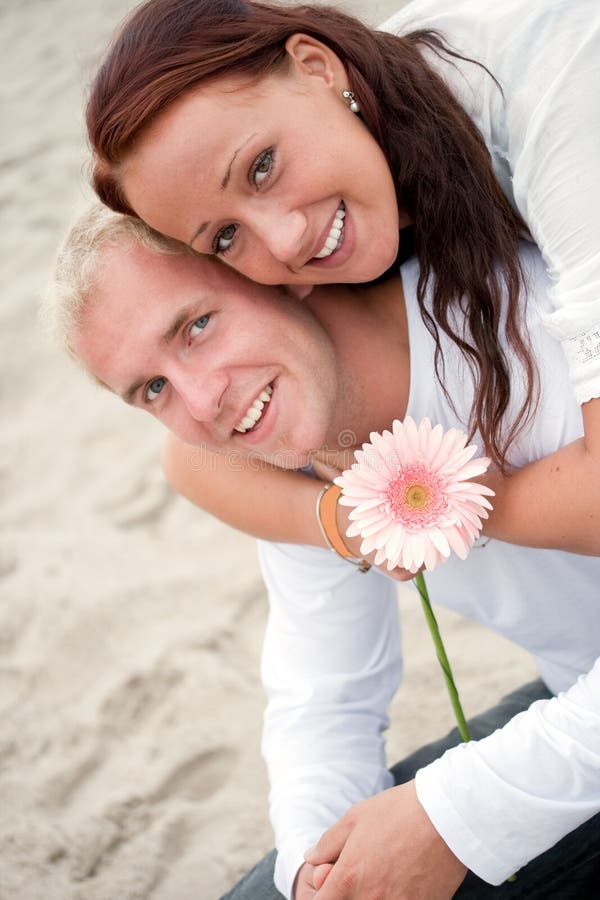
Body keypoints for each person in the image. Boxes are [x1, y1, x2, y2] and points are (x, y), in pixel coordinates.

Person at [45, 204, 600, 899]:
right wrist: (316, 871)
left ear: (273, 270)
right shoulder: (301, 454)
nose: (203, 398)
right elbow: (324, 699)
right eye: (153, 389)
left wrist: (457, 814)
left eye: (197, 327)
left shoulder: (536, 326)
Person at [85, 0, 600, 557]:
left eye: (262, 167)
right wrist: (338, 519)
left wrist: (418, 502)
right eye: (226, 237)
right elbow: (191, 460)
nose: (284, 242)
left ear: (315, 66)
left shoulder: (552, 88)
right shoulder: (366, 138)